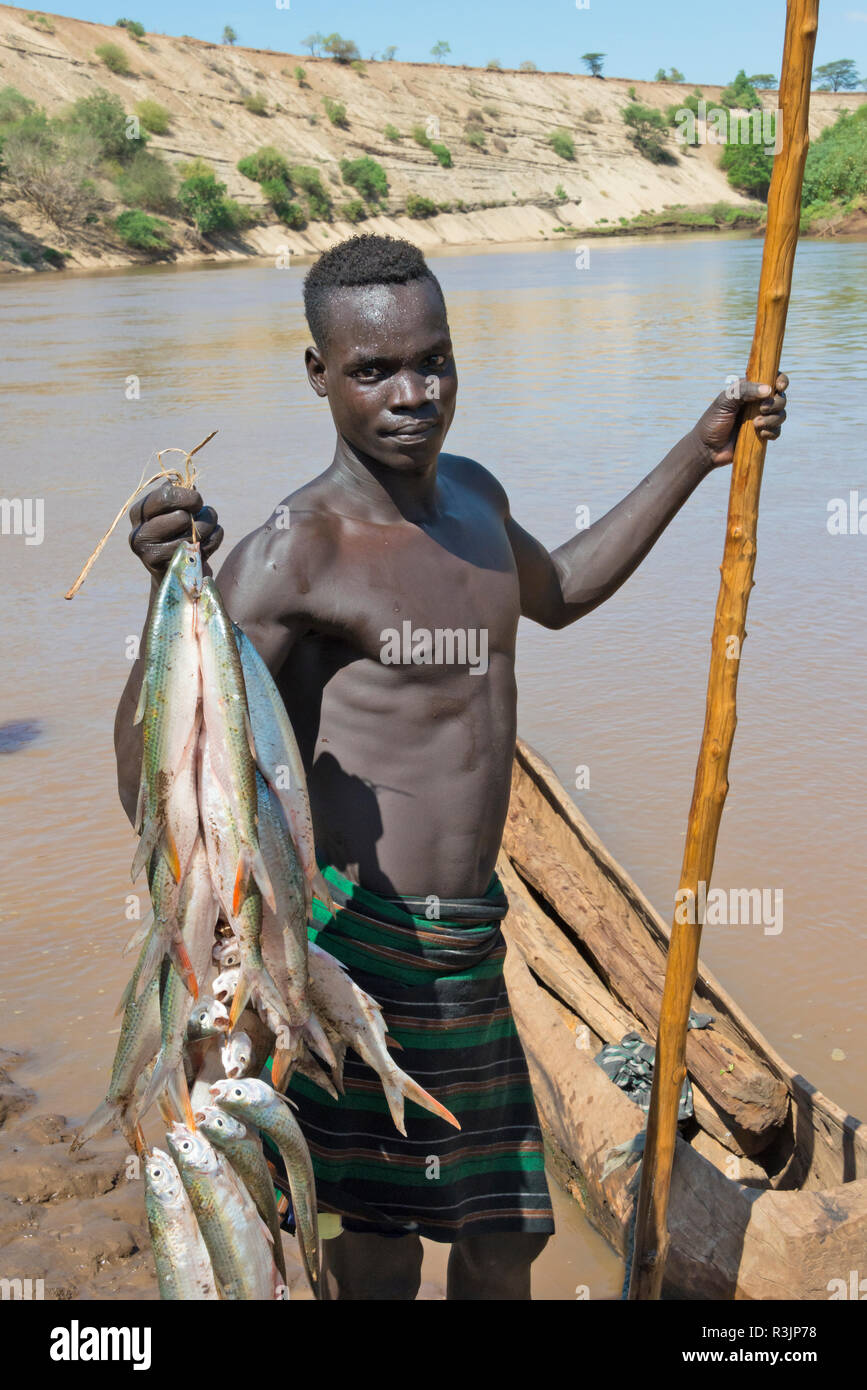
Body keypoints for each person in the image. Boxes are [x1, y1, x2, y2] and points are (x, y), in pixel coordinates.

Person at [115, 233, 788, 1300]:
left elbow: (561, 588)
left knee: (504, 1238)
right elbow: (162, 776)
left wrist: (699, 452)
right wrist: (169, 596)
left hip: (472, 939)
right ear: (318, 374)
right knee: (376, 1250)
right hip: (351, 945)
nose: (414, 393)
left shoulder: (473, 495)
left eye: (434, 361)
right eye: (375, 370)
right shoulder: (296, 550)